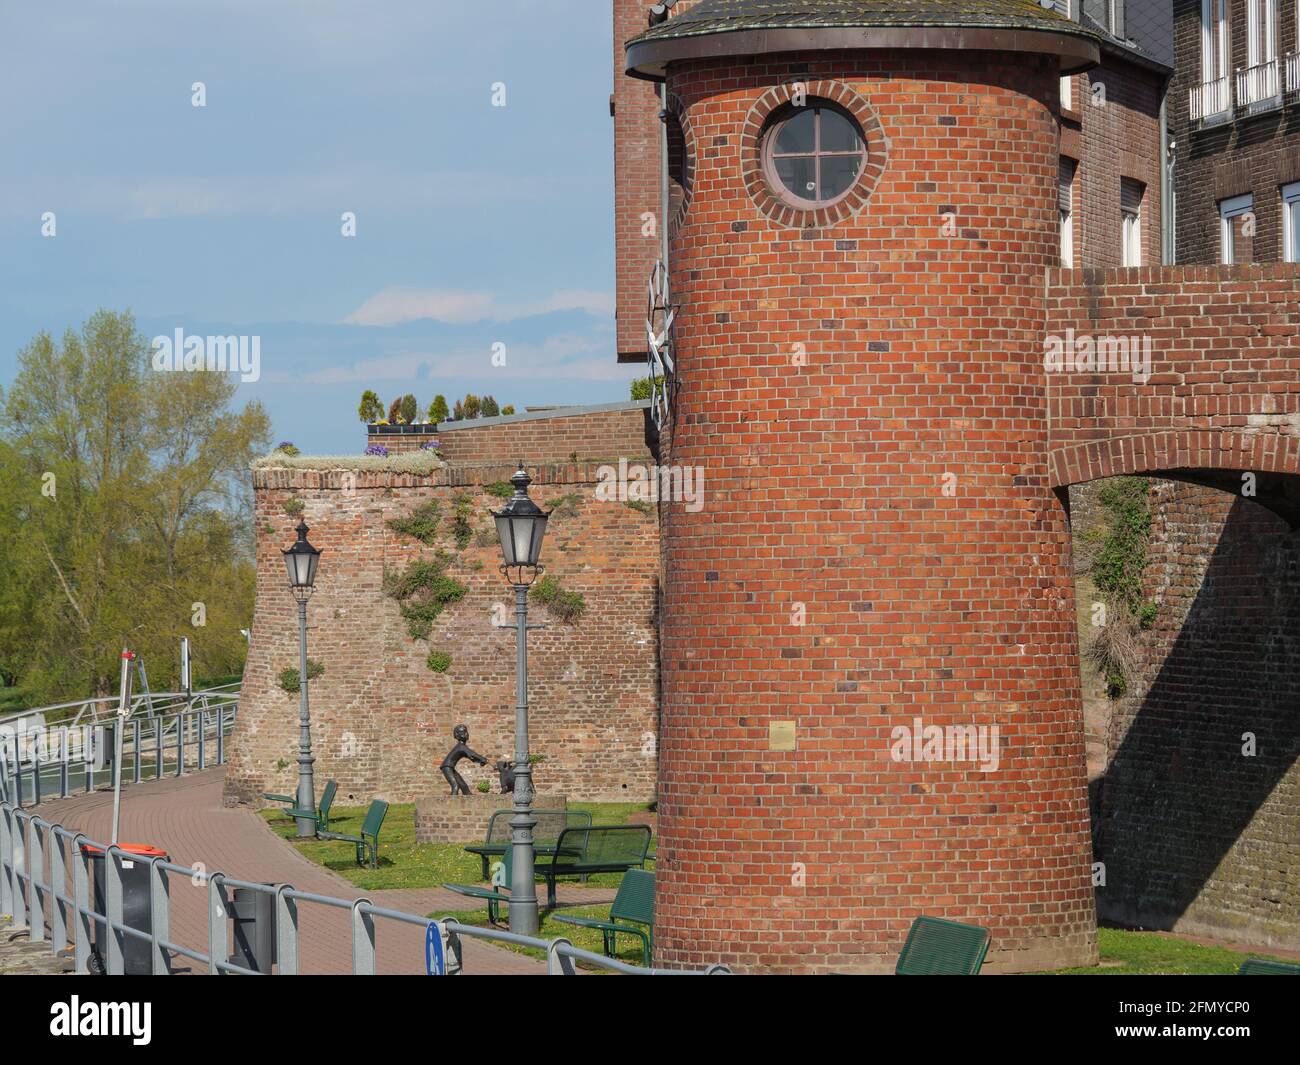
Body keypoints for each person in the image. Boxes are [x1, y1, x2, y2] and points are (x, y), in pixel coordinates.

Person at [440, 723, 486, 795]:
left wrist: (480, 761)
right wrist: (482, 759)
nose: (466, 734)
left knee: (463, 786)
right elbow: (472, 754)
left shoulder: (462, 747)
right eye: (463, 732)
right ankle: (452, 804)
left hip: (450, 767)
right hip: (447, 767)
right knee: (455, 786)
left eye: (466, 731)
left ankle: (470, 799)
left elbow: (471, 756)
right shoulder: (461, 747)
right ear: (457, 735)